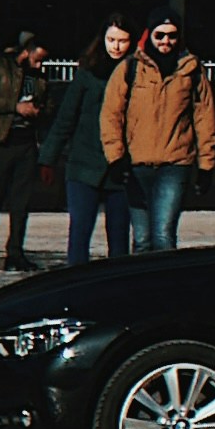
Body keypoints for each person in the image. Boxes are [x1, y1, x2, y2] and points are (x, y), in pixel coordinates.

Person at [105, 11, 215, 253]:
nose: (166, 42)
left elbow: (204, 117)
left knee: (163, 235)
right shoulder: (130, 68)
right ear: (150, 35)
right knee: (142, 239)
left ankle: (165, 288)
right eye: (160, 35)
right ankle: (140, 289)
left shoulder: (191, 69)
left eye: (172, 36)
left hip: (174, 164)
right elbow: (112, 115)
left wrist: (206, 165)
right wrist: (116, 158)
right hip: (137, 163)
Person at [47, 25, 132, 264]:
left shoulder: (136, 73)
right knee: (80, 232)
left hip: (120, 166)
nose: (116, 46)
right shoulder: (88, 73)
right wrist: (48, 158)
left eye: (122, 41)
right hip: (84, 164)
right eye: (111, 39)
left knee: (119, 237)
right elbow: (66, 117)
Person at [0, 34, 56, 273]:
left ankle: (15, 252)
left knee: (21, 202)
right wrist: (14, 107)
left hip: (26, 142)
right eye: (38, 59)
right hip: (0, 142)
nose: (40, 65)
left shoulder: (39, 77)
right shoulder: (0, 69)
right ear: (26, 51)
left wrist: (39, 111)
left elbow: (50, 103)